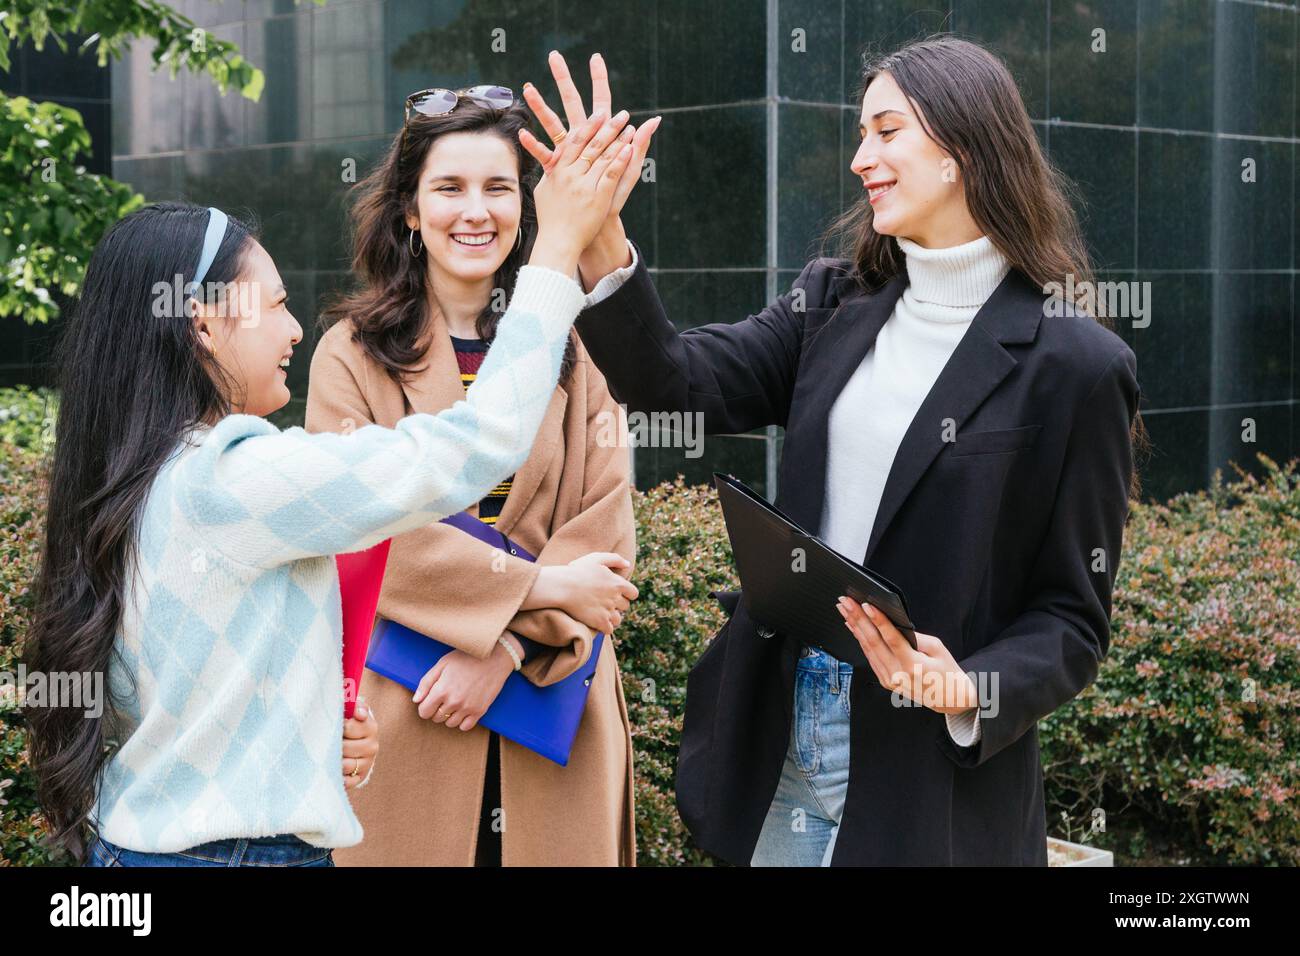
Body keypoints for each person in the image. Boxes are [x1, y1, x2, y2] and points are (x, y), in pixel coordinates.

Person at [534, 37, 1148, 865]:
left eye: (887, 131)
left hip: (926, 770)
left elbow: (1072, 618)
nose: (862, 158)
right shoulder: (832, 300)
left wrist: (968, 685)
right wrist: (600, 230)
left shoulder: (1075, 365)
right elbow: (676, 383)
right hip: (782, 722)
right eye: (861, 134)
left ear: (963, 146)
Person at [25, 104, 636, 866]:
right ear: (204, 326)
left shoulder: (146, 470)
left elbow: (177, 683)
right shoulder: (238, 479)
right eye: (276, 305)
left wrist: (306, 742)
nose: (293, 332)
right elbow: (475, 447)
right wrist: (562, 247)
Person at [306, 64, 656, 866]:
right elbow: (362, 529)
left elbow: (603, 539)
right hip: (409, 706)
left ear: (528, 207)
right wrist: (536, 591)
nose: (475, 211)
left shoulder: (578, 344)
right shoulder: (350, 357)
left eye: (498, 188)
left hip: (551, 702)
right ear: (410, 208)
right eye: (450, 187)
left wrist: (500, 650)